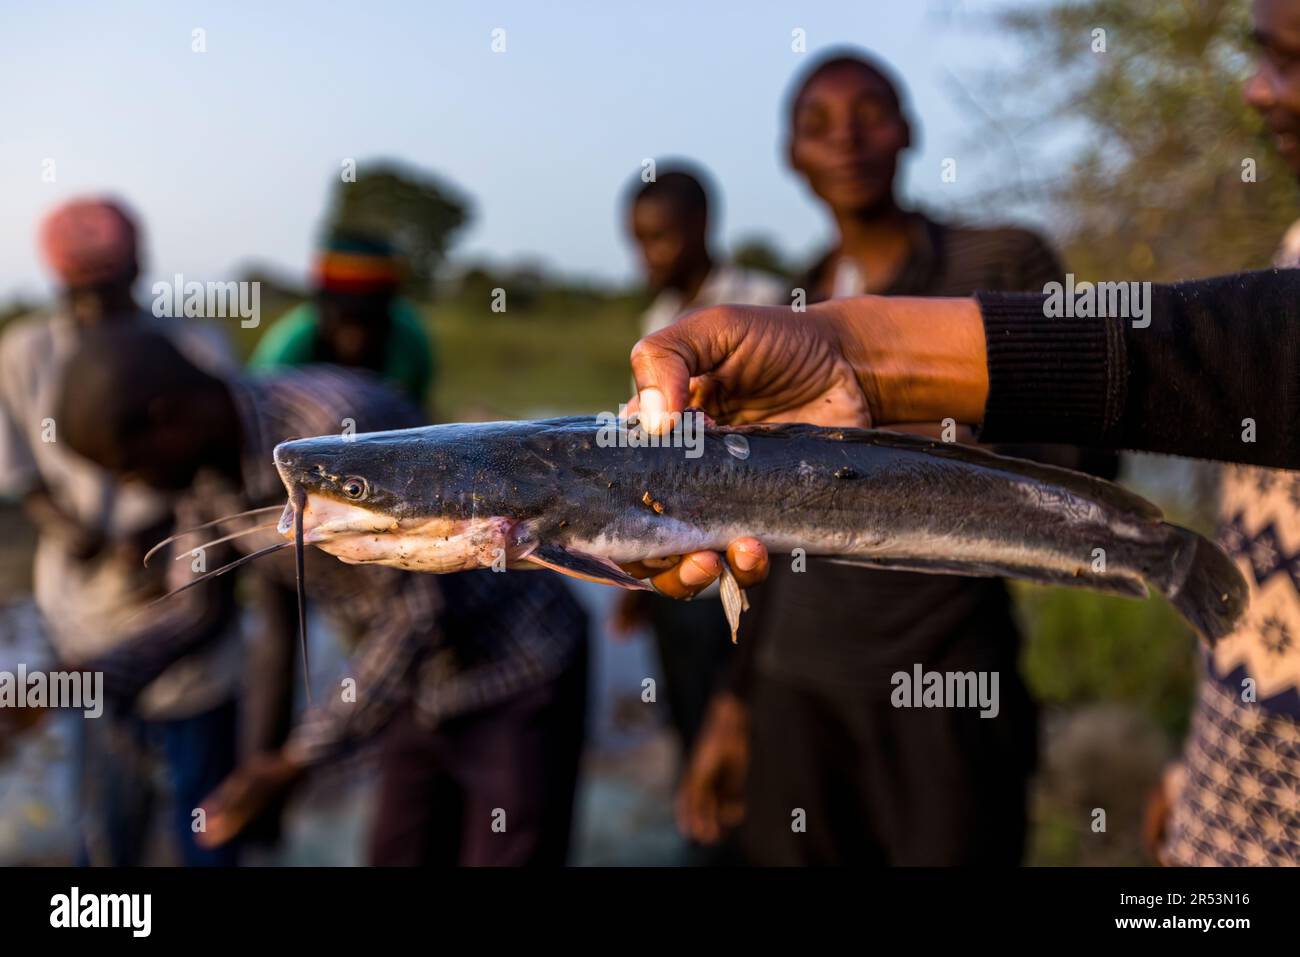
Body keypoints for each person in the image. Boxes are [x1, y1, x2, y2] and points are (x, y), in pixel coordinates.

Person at [674, 51, 1099, 865]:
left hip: (946, 679)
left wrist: (946, 426)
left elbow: (1092, 462)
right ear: (792, 155)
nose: (848, 139)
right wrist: (736, 705)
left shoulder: (999, 264)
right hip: (799, 683)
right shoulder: (792, 307)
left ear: (907, 129)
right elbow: (761, 528)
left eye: (871, 112)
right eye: (818, 124)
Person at [54, 326, 589, 866]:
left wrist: (298, 759)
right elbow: (196, 610)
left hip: (516, 669)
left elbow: (416, 611)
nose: (137, 487)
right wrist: (79, 681)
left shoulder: (336, 432)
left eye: (130, 466)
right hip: (415, 690)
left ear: (166, 419)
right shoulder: (205, 472)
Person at [0, 197, 242, 866]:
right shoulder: (26, 352)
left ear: (139, 271)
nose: (97, 308)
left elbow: (224, 467)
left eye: (111, 289)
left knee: (208, 811)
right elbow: (21, 471)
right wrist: (81, 534)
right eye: (82, 293)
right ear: (59, 287)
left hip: (188, 597)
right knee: (108, 817)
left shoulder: (197, 343)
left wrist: (162, 531)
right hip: (89, 610)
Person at [618, 165, 786, 769]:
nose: (647, 257)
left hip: (757, 551)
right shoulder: (657, 318)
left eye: (659, 237)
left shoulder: (766, 303)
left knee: (756, 710)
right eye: (637, 241)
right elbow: (651, 449)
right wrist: (634, 582)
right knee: (689, 703)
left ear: (703, 226)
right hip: (682, 550)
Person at [249, 230, 436, 408]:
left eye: (367, 320)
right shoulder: (290, 345)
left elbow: (415, 411)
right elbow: (259, 411)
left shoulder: (409, 342)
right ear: (323, 309)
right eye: (345, 320)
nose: (354, 339)